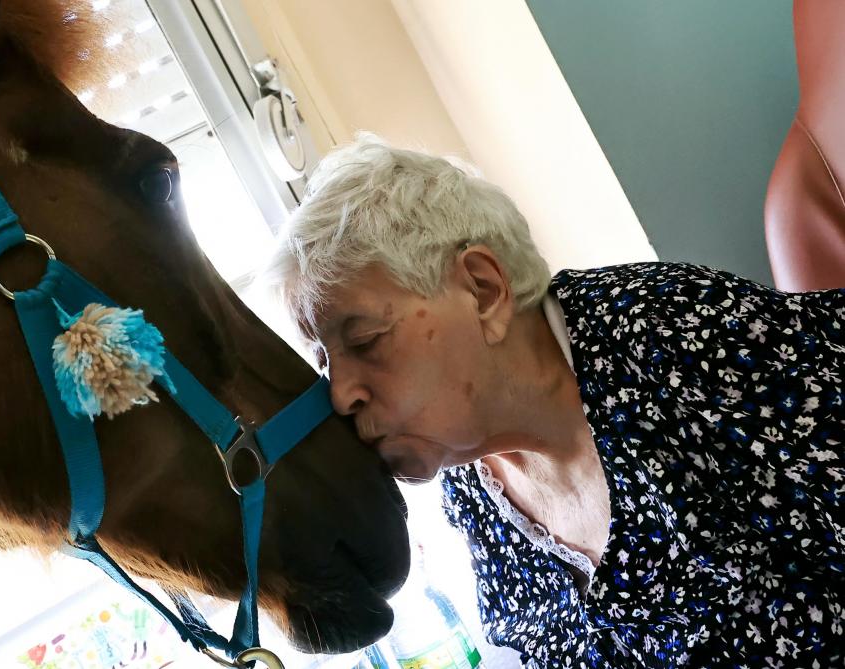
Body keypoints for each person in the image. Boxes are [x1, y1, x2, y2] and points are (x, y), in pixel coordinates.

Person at [263, 135, 844, 667]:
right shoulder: (470, 489)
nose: (341, 394)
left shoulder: (672, 335)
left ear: (483, 291)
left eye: (363, 341)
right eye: (324, 362)